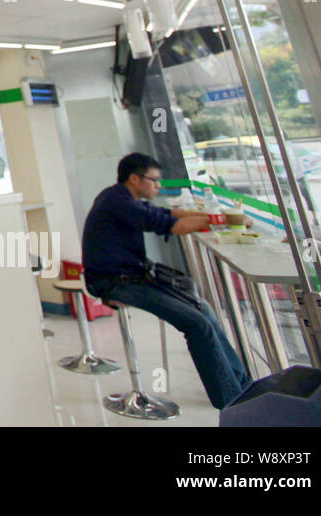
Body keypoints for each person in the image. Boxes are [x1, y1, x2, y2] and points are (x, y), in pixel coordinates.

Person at [82, 152, 251, 409]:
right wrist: (225, 219)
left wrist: (209, 214)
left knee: (202, 307)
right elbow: (171, 224)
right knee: (196, 323)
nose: (159, 186)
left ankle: (243, 385)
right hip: (114, 282)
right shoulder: (119, 202)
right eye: (154, 180)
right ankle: (231, 401)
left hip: (133, 275)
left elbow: (167, 212)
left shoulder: (122, 196)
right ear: (135, 178)